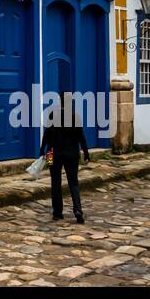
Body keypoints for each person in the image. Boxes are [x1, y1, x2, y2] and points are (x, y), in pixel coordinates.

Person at [39, 92, 90, 223]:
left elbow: (46, 135)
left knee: (55, 182)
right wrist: (86, 153)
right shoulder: (75, 117)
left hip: (52, 154)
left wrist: (41, 151)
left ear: (60, 102)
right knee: (73, 182)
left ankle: (57, 213)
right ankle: (78, 209)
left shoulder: (52, 115)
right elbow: (81, 137)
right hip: (72, 154)